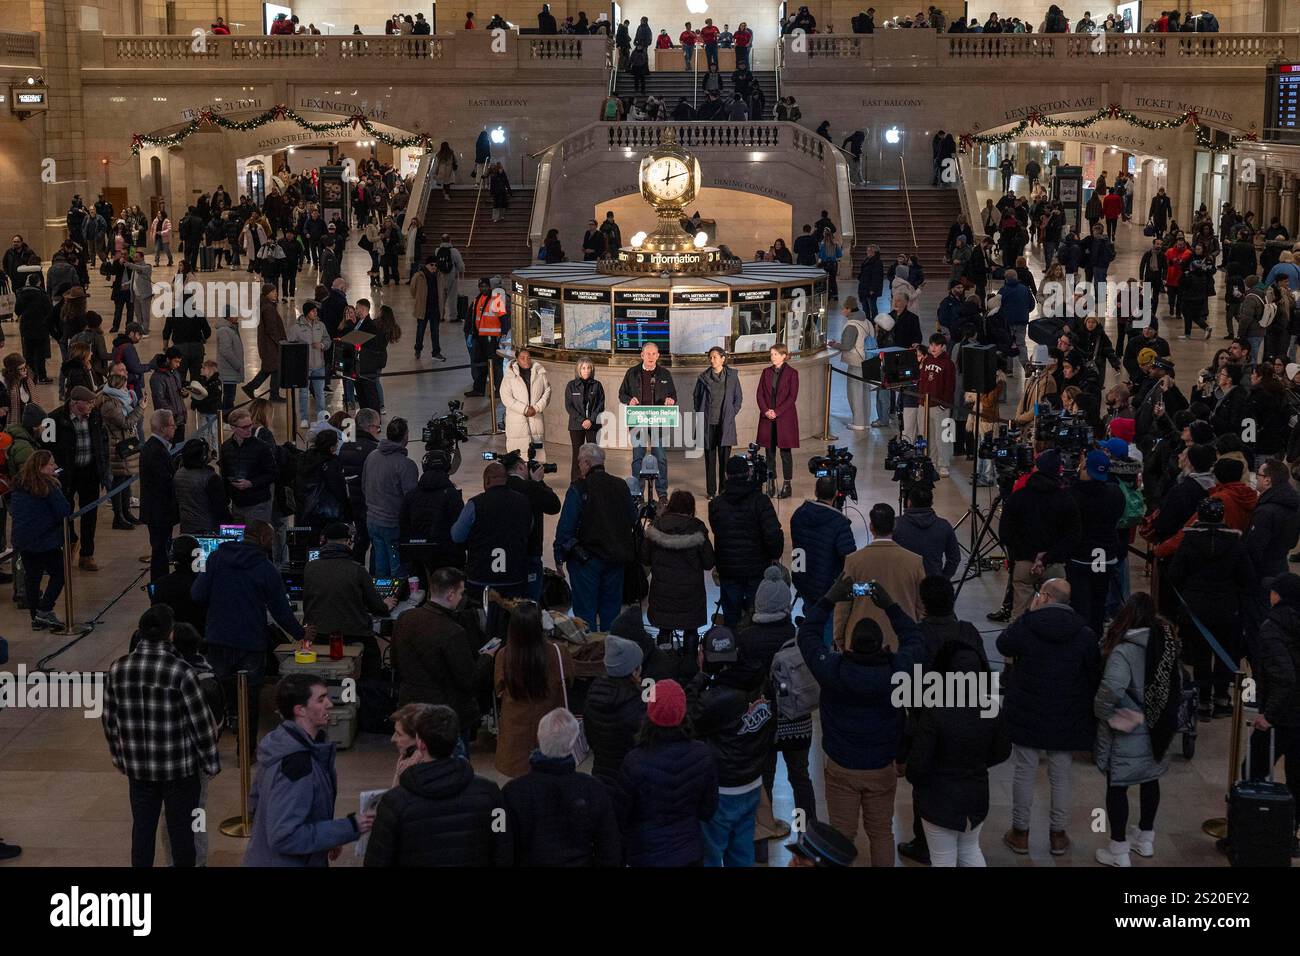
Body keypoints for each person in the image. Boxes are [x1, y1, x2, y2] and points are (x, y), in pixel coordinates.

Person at [799, 574, 924, 866]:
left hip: (842, 765)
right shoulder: (898, 671)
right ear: (882, 645)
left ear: (850, 645)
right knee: (881, 833)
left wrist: (830, 597)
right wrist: (891, 606)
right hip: (882, 765)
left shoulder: (832, 669)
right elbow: (915, 639)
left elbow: (807, 634)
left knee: (841, 835)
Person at [103, 605, 221, 868]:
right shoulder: (181, 671)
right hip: (179, 770)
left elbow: (109, 719)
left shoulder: (117, 668)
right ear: (170, 635)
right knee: (182, 835)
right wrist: (210, 763)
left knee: (142, 833)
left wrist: (119, 758)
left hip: (139, 769)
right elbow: (200, 725)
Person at [996, 577, 1101, 856]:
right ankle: (1058, 834)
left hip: (1027, 711)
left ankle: (1020, 833)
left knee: (1024, 772)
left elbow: (1003, 645)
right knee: (1061, 776)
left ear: (1043, 596)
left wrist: (1027, 613)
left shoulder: (1028, 626)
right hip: (1066, 714)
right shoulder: (1085, 633)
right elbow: (1094, 675)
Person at [192, 520, 304, 744]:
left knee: (218, 691)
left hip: (218, 638)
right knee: (250, 697)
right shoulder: (266, 569)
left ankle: (214, 738)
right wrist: (301, 634)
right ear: (263, 539)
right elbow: (281, 611)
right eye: (271, 539)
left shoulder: (216, 559)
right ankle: (247, 749)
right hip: (251, 642)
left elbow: (197, 594)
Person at [244, 674, 374, 866]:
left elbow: (256, 804)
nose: (330, 704)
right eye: (321, 699)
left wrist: (326, 837)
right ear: (301, 710)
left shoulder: (280, 744)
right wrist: (349, 827)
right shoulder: (297, 764)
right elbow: (284, 836)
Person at [1093, 592, 1182, 866]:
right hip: (1158, 727)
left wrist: (1103, 713)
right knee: (1150, 779)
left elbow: (1113, 688)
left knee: (1117, 785)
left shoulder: (1124, 648)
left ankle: (1118, 848)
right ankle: (1145, 838)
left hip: (1127, 728)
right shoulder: (1166, 644)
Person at [906, 639, 1012, 867]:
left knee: (942, 859)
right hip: (975, 794)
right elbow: (1003, 750)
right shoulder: (990, 707)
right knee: (970, 850)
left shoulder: (935, 711)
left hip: (938, 798)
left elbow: (918, 765)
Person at [688, 626, 774, 867]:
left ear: (704, 657)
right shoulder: (763, 684)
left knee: (712, 855)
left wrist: (700, 677)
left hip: (722, 790)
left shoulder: (716, 699)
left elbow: (686, 718)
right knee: (742, 852)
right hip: (752, 783)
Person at [741, 566, 817, 830]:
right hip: (796, 717)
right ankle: (807, 836)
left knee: (764, 780)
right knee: (801, 777)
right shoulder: (797, 637)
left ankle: (763, 836)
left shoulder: (747, 639)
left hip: (760, 721)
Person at [1167, 496, 1255, 718]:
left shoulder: (1189, 541)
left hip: (1196, 608)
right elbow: (1247, 576)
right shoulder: (1235, 543)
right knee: (1226, 654)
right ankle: (1222, 698)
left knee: (1201, 657)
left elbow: (1175, 574)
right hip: (1227, 607)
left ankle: (1203, 701)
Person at [554, 443, 636, 633]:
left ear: (587, 463)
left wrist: (559, 556)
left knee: (585, 615)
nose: (579, 467)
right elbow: (633, 519)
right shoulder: (621, 485)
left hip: (586, 561)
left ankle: (588, 656)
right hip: (616, 559)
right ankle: (609, 653)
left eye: (580, 463)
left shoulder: (579, 488)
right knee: (611, 612)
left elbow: (566, 525)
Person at [304, 522, 396, 680]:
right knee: (373, 666)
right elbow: (377, 608)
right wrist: (385, 604)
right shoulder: (357, 570)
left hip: (319, 635)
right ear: (348, 541)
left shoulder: (310, 568)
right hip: (354, 635)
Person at [493, 600, 573, 778]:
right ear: (540, 625)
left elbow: (499, 689)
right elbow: (568, 681)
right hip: (550, 731)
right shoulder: (558, 652)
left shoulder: (504, 656)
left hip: (514, 737)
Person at [999, 449, 1082, 620]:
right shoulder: (1066, 499)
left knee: (1020, 615)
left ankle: (1019, 644)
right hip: (1055, 565)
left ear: (1037, 468)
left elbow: (1005, 533)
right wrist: (1046, 558)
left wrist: (1031, 556)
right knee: (1056, 615)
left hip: (1024, 563)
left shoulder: (1019, 497)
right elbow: (1073, 536)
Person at [836, 503, 925, 650]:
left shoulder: (854, 561)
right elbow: (921, 606)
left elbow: (844, 603)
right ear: (894, 525)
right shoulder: (914, 561)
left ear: (871, 527)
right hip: (902, 642)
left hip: (860, 643)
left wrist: (839, 636)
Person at [709, 455, 784, 628]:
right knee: (756, 615)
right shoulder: (760, 501)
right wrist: (774, 555)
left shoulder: (716, 504)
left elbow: (717, 530)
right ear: (749, 473)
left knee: (731, 618)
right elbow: (773, 534)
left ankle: (733, 649)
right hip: (756, 569)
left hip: (728, 569)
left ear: (726, 476)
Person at [642, 489, 714, 654]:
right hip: (691, 594)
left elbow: (644, 557)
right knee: (691, 630)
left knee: (664, 630)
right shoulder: (697, 528)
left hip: (662, 593)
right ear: (691, 508)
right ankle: (690, 664)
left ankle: (663, 662)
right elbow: (709, 563)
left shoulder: (657, 526)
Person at [1066, 449, 1127, 634]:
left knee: (1080, 601)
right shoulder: (1115, 493)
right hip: (1103, 556)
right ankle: (1096, 635)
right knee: (1098, 599)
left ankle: (1081, 638)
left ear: (1085, 467)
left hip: (1080, 557)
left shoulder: (1074, 494)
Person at [10, 451, 71, 630]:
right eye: (51, 464)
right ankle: (45, 610)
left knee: (32, 578)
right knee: (60, 573)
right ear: (41, 467)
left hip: (24, 540)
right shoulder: (48, 486)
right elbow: (64, 511)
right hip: (44, 540)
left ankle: (36, 617)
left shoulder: (19, 484)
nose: (54, 467)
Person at [50, 386, 109, 572]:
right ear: (76, 403)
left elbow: (103, 439)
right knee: (65, 512)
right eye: (89, 402)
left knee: (90, 514)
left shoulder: (95, 416)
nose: (92, 405)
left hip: (90, 472)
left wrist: (102, 463)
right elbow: (45, 447)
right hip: (67, 474)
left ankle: (87, 554)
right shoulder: (54, 418)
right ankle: (70, 541)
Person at [618, 342, 676, 503]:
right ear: (642, 355)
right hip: (638, 420)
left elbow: (673, 395)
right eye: (647, 354)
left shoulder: (665, 374)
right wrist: (630, 400)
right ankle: (637, 493)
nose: (651, 357)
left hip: (659, 421)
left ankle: (662, 493)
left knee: (660, 457)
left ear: (658, 356)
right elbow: (622, 394)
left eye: (654, 354)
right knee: (638, 458)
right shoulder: (632, 373)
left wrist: (670, 400)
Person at [790, 475, 857, 613]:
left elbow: (798, 550)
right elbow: (849, 558)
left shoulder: (798, 514)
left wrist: (799, 578)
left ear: (816, 492)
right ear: (835, 494)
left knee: (810, 620)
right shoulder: (839, 522)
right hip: (828, 588)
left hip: (803, 581)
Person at [363, 417, 419, 577]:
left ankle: (382, 596)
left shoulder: (372, 456)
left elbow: (364, 486)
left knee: (380, 562)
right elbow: (411, 499)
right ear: (406, 436)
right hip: (392, 523)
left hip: (372, 520)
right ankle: (397, 595)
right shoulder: (405, 465)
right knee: (397, 566)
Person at [693, 346, 743, 498]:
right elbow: (696, 398)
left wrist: (731, 413)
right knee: (710, 460)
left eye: (715, 357)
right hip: (709, 423)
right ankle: (711, 491)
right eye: (710, 357)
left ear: (723, 358)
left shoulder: (732, 376)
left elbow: (738, 398)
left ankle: (723, 490)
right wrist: (702, 412)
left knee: (724, 461)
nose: (712, 360)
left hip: (724, 424)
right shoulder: (703, 377)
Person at [140, 409, 179, 583]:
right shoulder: (156, 451)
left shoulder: (153, 447)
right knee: (160, 553)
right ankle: (160, 586)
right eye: (172, 425)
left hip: (157, 511)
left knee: (161, 550)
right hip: (159, 512)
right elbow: (163, 483)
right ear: (163, 428)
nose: (175, 428)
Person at [755, 344, 799, 498]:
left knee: (785, 453)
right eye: (771, 354)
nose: (772, 356)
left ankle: (787, 485)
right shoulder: (766, 372)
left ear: (783, 355)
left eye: (775, 354)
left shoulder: (792, 373)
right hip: (768, 417)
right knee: (769, 452)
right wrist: (766, 411)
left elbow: (792, 397)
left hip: (784, 417)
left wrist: (777, 411)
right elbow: (759, 394)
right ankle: (771, 482)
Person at [893, 482, 960, 579]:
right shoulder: (944, 526)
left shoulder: (895, 525)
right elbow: (954, 558)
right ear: (931, 503)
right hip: (932, 584)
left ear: (909, 502)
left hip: (903, 584)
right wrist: (943, 579)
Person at [501, 348, 551, 460]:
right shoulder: (509, 376)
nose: (526, 360)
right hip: (516, 422)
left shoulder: (539, 372)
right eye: (522, 358)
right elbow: (506, 398)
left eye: (528, 358)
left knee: (537, 456)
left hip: (535, 419)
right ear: (517, 359)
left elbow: (547, 391)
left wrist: (536, 408)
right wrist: (524, 409)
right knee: (518, 456)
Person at [564, 358, 605, 483]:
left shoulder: (597, 385)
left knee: (594, 454)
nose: (586, 370)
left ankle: (595, 481)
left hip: (593, 425)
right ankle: (576, 482)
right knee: (577, 453)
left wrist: (591, 420)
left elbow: (601, 405)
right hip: (576, 425)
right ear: (578, 369)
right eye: (583, 368)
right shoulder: (571, 386)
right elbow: (569, 406)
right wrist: (582, 420)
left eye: (588, 368)